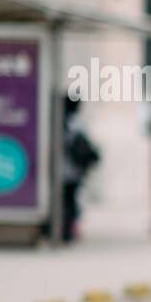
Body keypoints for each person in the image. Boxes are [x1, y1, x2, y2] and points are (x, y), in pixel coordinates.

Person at [60, 93, 100, 243]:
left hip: (65, 170)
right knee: (70, 200)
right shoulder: (76, 123)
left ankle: (66, 229)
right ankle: (69, 228)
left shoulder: (64, 121)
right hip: (73, 170)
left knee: (67, 200)